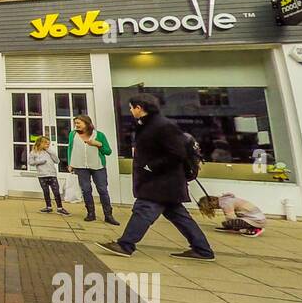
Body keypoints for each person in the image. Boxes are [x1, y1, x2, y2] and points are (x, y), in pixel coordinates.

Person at [97, 94, 215, 261]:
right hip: (164, 183)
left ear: (139, 108)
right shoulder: (150, 125)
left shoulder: (162, 126)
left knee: (143, 210)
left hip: (160, 182)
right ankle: (202, 249)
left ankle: (125, 244)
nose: (130, 111)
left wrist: (150, 167)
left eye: (131, 107)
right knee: (179, 216)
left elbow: (177, 153)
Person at [68, 115, 117, 225]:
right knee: (86, 190)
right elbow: (70, 148)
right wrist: (70, 163)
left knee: (102, 189)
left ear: (87, 123)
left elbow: (108, 151)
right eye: (76, 123)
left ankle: (108, 215)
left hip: (97, 166)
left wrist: (98, 144)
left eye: (79, 123)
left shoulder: (99, 135)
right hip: (80, 166)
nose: (77, 125)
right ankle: (91, 213)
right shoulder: (73, 134)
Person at [26, 136, 68, 215]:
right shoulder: (34, 152)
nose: (48, 145)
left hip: (52, 174)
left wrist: (50, 151)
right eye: (46, 144)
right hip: (42, 175)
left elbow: (57, 161)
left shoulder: (49, 152)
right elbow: (30, 162)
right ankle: (48, 207)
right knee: (46, 191)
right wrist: (39, 161)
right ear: (40, 143)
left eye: (49, 144)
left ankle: (60, 208)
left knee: (56, 191)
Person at [199, 192, 266, 236]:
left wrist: (229, 225)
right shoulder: (225, 199)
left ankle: (255, 228)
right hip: (259, 218)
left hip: (256, 220)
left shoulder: (225, 203)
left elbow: (230, 217)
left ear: (211, 203)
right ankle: (250, 227)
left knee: (227, 223)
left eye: (210, 207)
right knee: (229, 223)